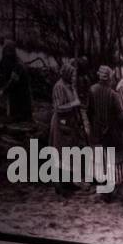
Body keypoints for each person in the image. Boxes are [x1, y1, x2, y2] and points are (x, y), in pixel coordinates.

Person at [49, 62, 87, 195]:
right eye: (71, 74)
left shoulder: (70, 86)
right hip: (61, 123)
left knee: (69, 153)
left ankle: (68, 182)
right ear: (66, 74)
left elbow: (77, 102)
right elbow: (58, 108)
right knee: (60, 153)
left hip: (69, 123)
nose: (73, 77)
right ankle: (59, 185)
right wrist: (73, 103)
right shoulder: (59, 87)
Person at [0, 40, 32, 121]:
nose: (7, 54)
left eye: (9, 51)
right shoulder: (6, 59)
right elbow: (1, 64)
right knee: (12, 111)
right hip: (13, 93)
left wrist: (3, 91)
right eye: (6, 51)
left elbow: (13, 82)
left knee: (19, 115)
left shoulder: (18, 65)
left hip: (21, 93)